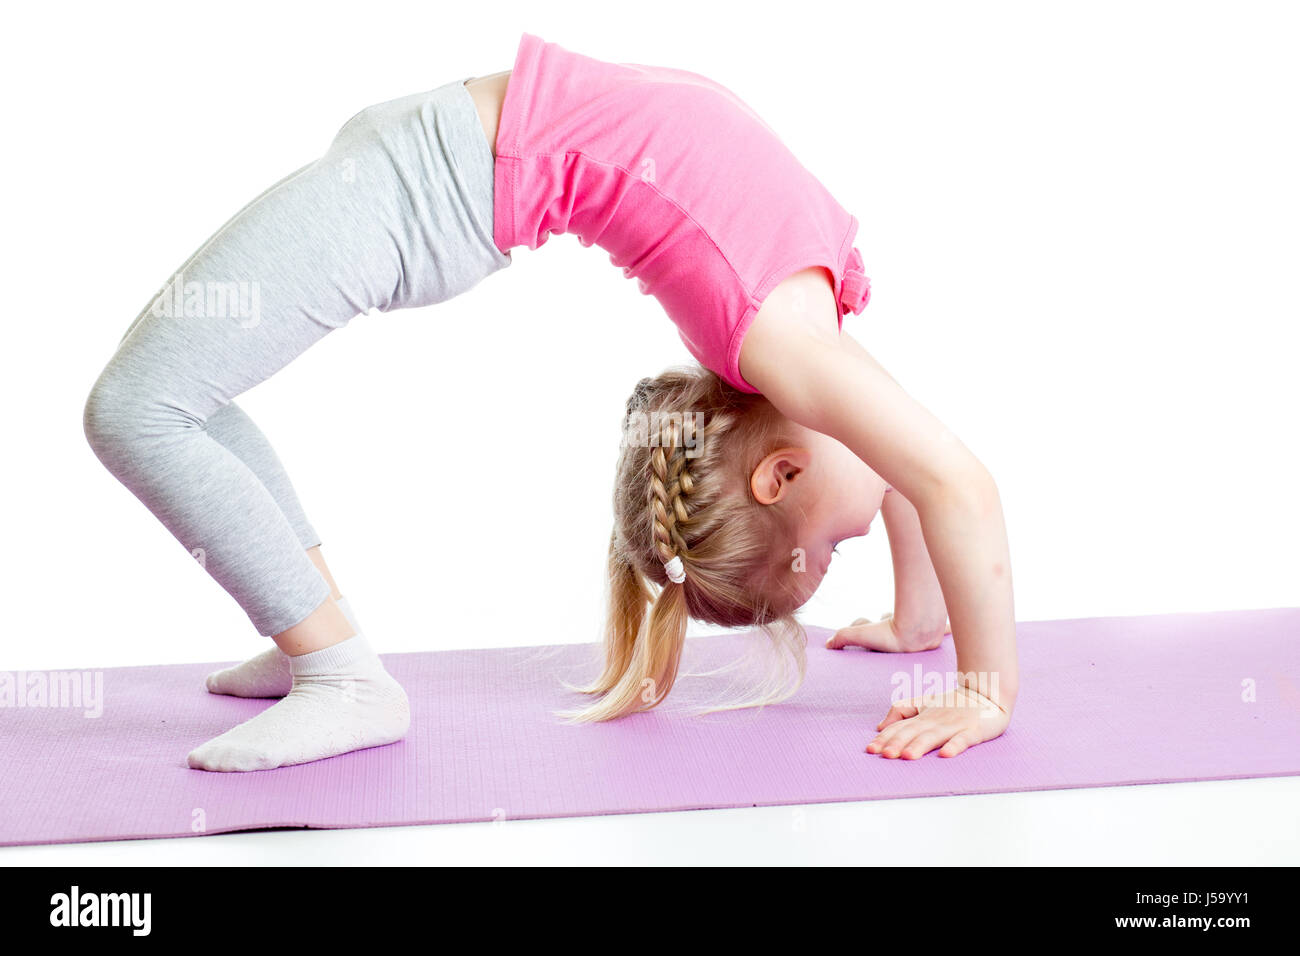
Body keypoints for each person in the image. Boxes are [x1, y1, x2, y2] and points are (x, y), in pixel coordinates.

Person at [83, 33, 1015, 772]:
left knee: (143, 405)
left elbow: (917, 473)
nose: (864, 517)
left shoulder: (801, 337)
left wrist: (926, 622)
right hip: (422, 179)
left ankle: (333, 666)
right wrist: (975, 678)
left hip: (426, 182)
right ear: (779, 473)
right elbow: (946, 483)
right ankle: (321, 656)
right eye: (834, 547)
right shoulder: (795, 346)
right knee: (164, 403)